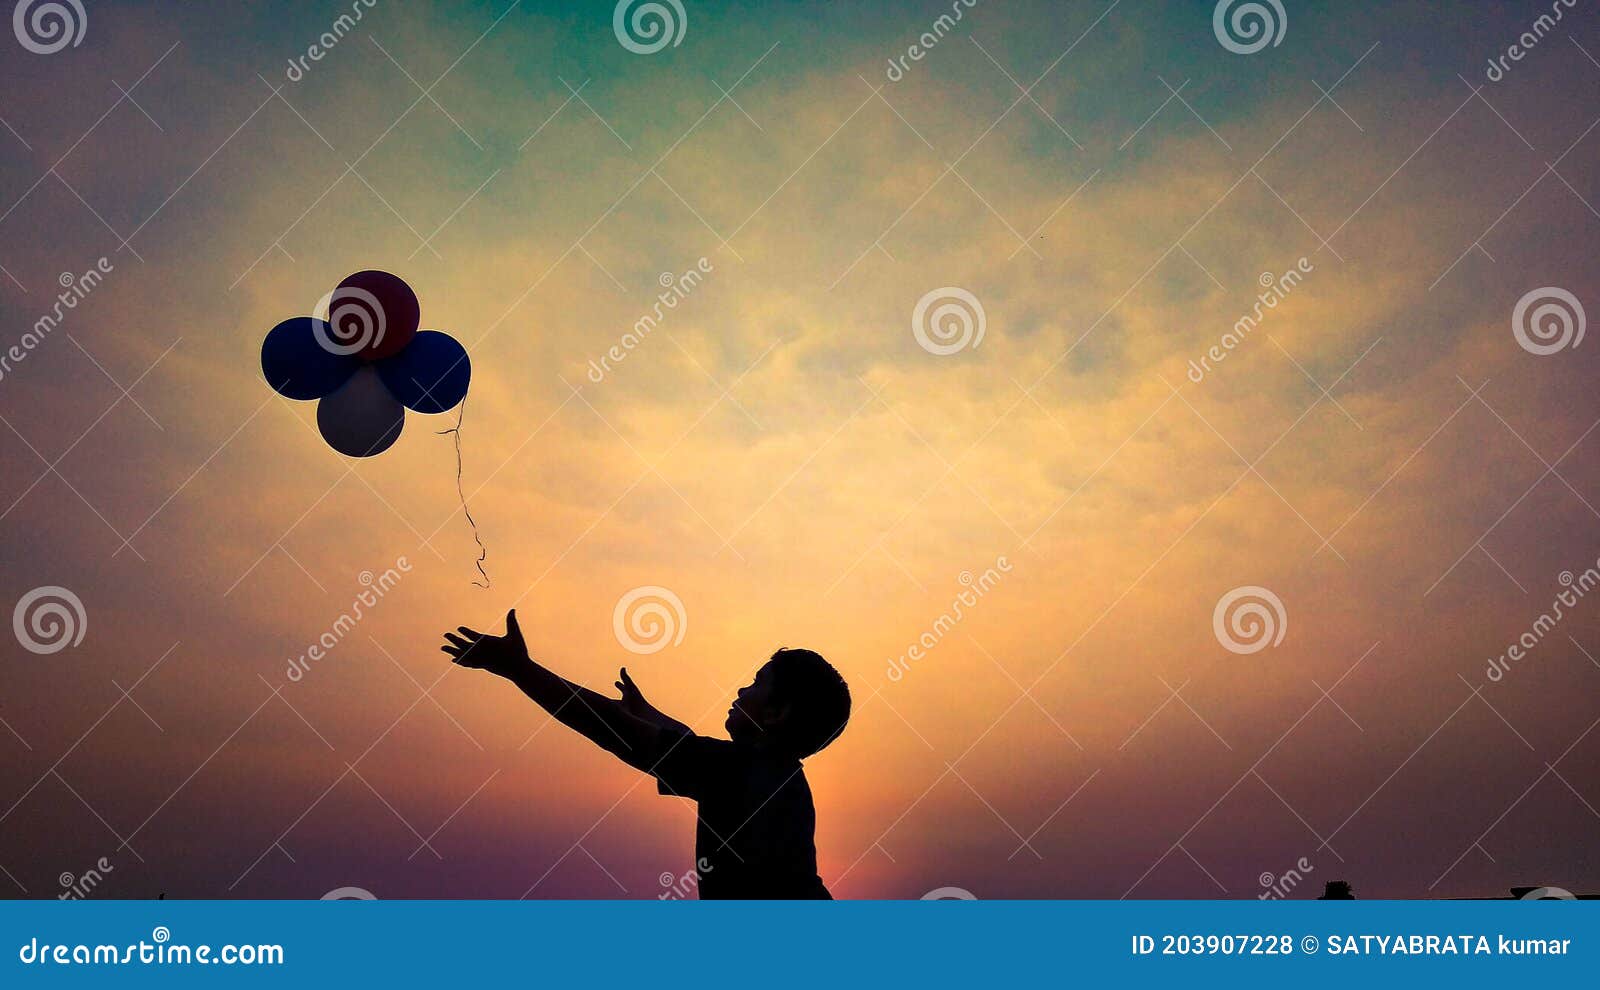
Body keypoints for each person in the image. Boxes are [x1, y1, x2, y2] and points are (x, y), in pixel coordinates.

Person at [441, 610, 851, 899]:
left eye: (757, 684)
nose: (742, 692)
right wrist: (644, 712)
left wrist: (520, 669)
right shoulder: (779, 778)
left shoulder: (737, 771)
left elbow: (611, 730)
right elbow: (684, 746)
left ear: (778, 713)